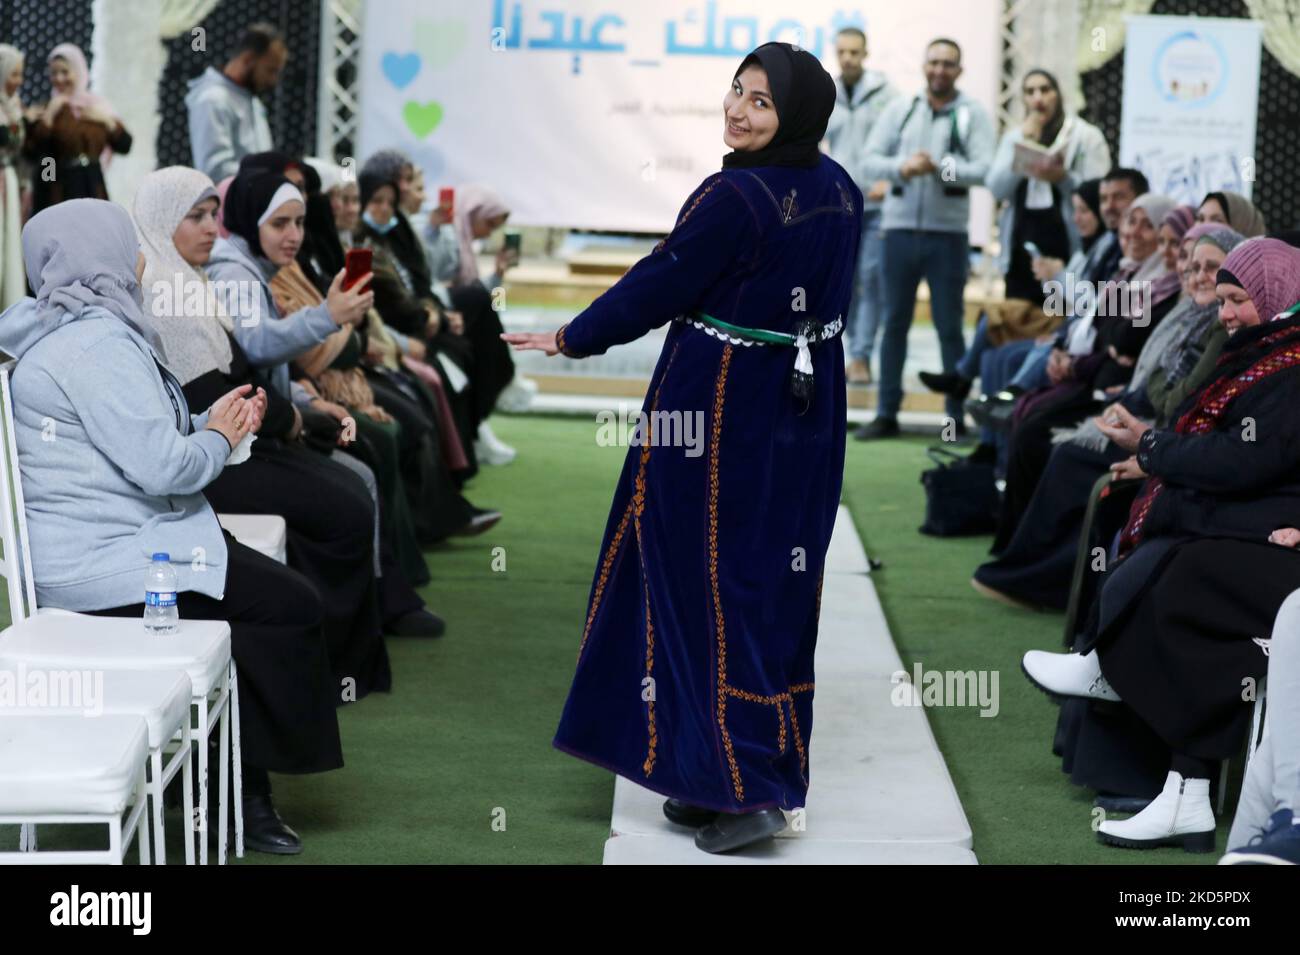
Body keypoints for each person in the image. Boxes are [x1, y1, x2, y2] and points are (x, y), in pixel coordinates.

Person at [504, 42, 859, 854]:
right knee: (770, 579)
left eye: (761, 101)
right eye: (736, 90)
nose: (737, 108)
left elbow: (660, 280)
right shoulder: (839, 188)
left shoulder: (733, 195)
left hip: (720, 402)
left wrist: (571, 334)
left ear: (794, 114)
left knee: (699, 577)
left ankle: (745, 787)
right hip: (805, 406)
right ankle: (718, 770)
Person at [0, 198, 342, 855]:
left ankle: (231, 788)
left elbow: (142, 440)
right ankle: (234, 795)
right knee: (289, 608)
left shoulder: (56, 326)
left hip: (106, 545)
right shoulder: (93, 341)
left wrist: (212, 420)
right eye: (127, 245)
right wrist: (216, 436)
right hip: (113, 565)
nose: (137, 258)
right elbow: (165, 468)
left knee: (270, 594)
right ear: (99, 256)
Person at [1023, 237, 1300, 852]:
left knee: (1183, 567)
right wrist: (1157, 453)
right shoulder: (1265, 352)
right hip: (1271, 531)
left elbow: (1246, 459)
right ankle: (1186, 791)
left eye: (1236, 299)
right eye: (1223, 300)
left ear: (1275, 293)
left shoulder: (1290, 363)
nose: (1225, 314)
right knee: (1182, 576)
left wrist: (1151, 451)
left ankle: (1112, 672)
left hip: (1284, 546)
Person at [854, 37, 995, 439]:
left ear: (960, 70)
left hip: (947, 237)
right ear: (924, 65)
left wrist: (942, 169)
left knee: (949, 328)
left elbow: (985, 169)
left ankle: (954, 419)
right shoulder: (901, 108)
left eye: (948, 64)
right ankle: (886, 413)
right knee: (893, 322)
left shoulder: (972, 114)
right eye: (934, 62)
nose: (939, 70)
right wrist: (904, 168)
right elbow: (869, 162)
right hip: (896, 231)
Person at [820, 26, 897, 386]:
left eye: (855, 52)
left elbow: (902, 142)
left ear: (866, 54)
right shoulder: (825, 93)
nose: (848, 58)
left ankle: (863, 357)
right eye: (843, 52)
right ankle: (842, 354)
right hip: (839, 206)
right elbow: (811, 141)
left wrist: (890, 180)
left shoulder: (888, 95)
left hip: (878, 205)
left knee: (871, 279)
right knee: (843, 281)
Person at [23, 43, 131, 213]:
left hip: (92, 185)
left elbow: (125, 145)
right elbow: (34, 153)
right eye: (54, 73)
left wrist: (107, 121)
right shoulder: (45, 109)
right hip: (59, 190)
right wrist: (50, 115)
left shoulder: (97, 107)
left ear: (78, 71)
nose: (59, 79)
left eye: (65, 72)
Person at [186, 23, 284, 181]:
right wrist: (267, 177)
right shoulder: (213, 100)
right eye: (270, 70)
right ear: (248, 59)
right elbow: (215, 172)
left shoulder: (252, 102)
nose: (273, 80)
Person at [0, 44, 27, 308]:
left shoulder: (14, 106)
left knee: (8, 245)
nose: (18, 82)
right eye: (13, 74)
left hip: (8, 180)